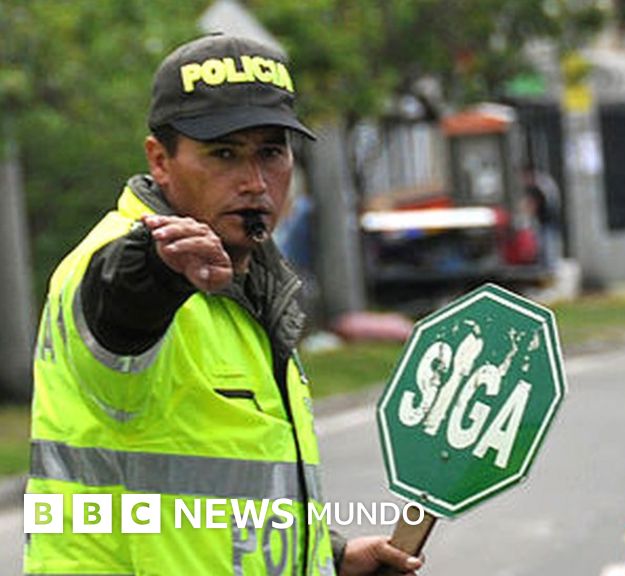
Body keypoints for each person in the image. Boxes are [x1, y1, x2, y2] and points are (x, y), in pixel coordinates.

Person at [24, 34, 423, 576]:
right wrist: (163, 269)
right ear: (159, 161)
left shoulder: (251, 279)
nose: (255, 182)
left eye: (271, 152)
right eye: (224, 153)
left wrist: (327, 557)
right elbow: (123, 298)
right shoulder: (124, 261)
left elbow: (229, 490)